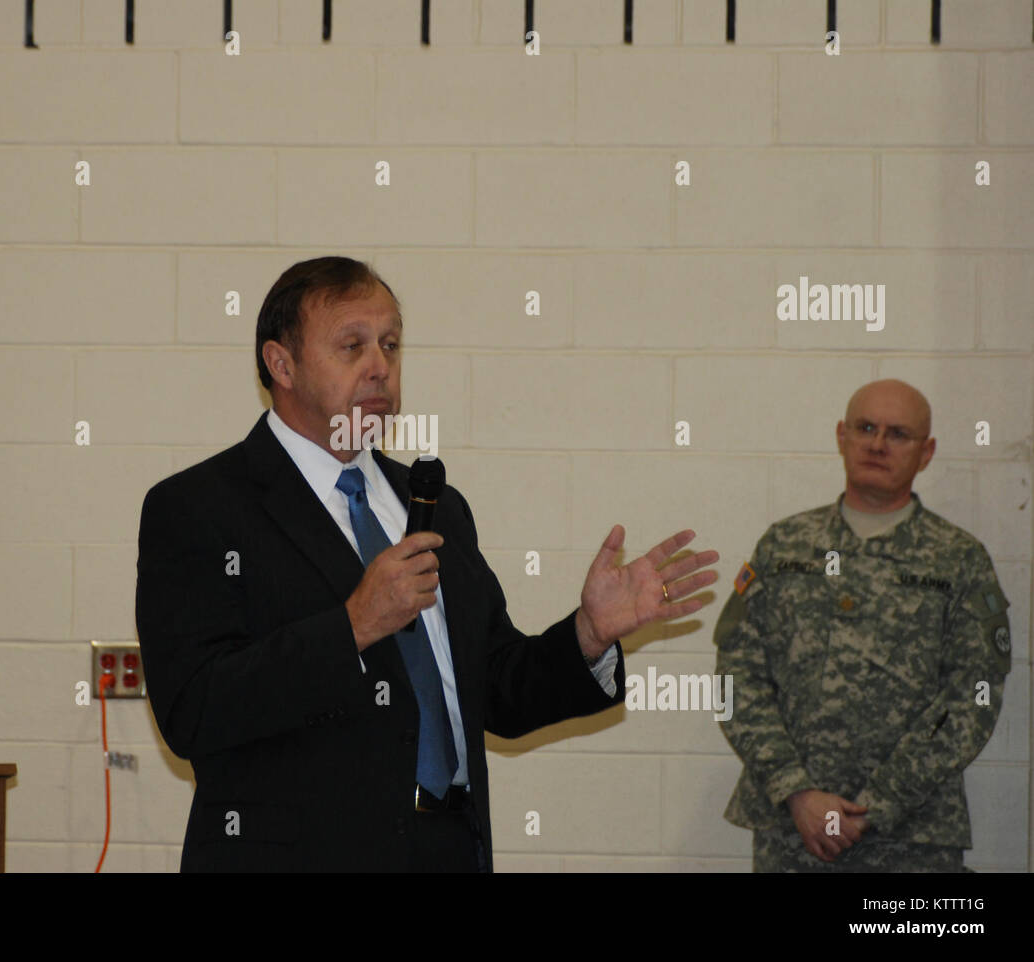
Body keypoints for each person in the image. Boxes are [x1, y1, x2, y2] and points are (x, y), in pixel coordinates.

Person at [135, 256, 718, 871]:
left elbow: (496, 690)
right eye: (352, 346)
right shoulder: (199, 508)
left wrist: (588, 636)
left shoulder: (434, 504)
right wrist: (354, 624)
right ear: (281, 364)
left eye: (389, 344)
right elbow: (194, 710)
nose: (380, 366)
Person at [714, 379, 1011, 872]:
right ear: (841, 436)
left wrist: (878, 804)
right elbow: (737, 677)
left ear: (927, 452)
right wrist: (796, 790)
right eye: (866, 427)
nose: (877, 443)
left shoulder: (960, 560)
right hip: (793, 833)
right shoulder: (784, 546)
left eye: (898, 433)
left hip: (914, 834)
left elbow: (973, 696)